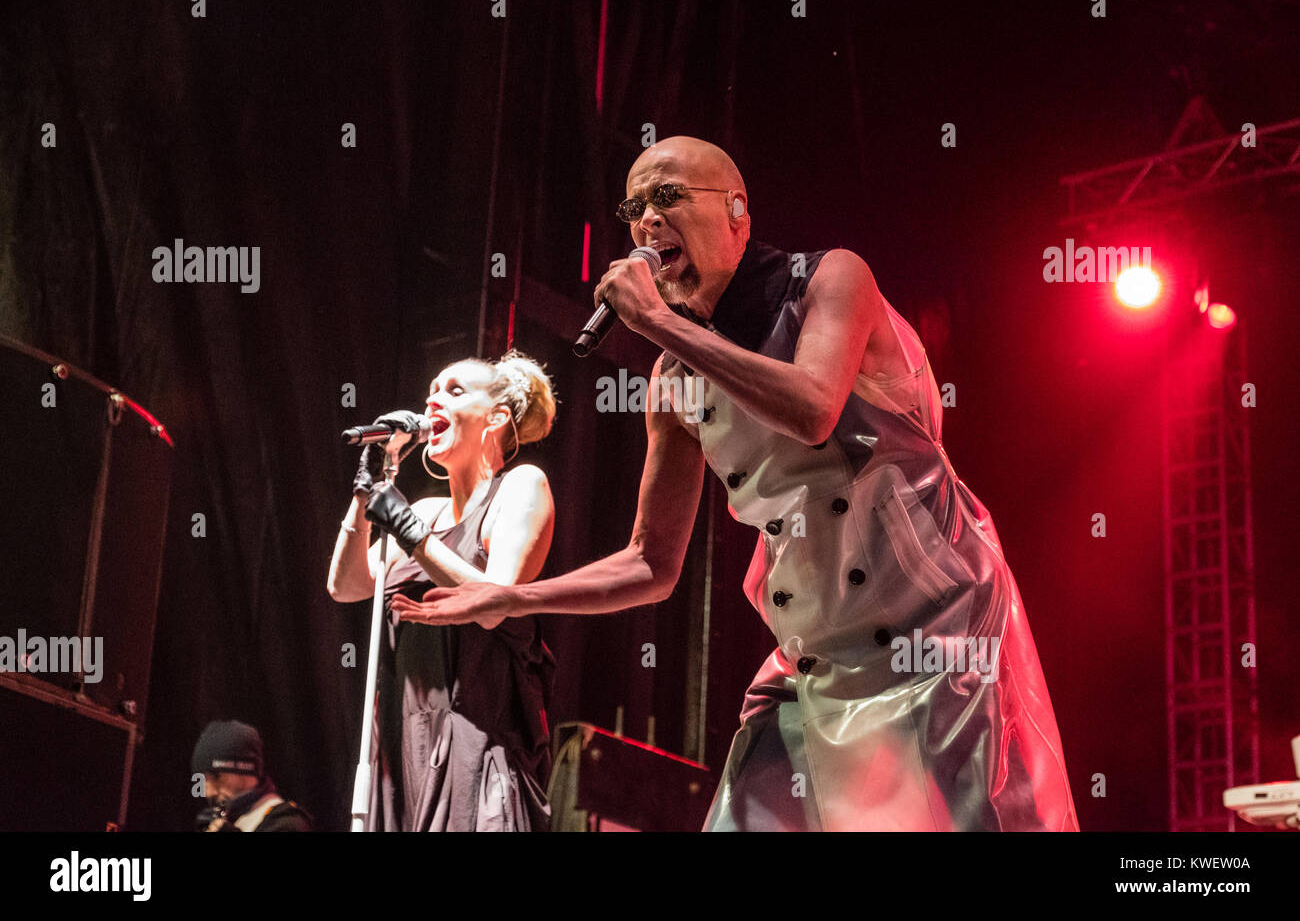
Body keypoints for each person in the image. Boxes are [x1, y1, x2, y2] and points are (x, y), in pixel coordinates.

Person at [397, 136, 1079, 831]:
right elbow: (651, 563)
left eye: (667, 197)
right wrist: (512, 596)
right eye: (634, 207)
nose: (646, 222)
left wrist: (660, 325)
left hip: (937, 627)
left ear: (737, 213)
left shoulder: (831, 280)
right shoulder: (675, 382)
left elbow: (813, 410)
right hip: (815, 654)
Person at [327, 349, 558, 831]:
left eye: (453, 391)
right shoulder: (428, 511)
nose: (432, 402)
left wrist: (410, 532)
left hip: (474, 744)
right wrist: (363, 493)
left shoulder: (521, 487)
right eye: (430, 392)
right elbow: (345, 586)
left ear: (496, 417)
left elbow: (496, 605)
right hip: (402, 744)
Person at [191, 719, 313, 831]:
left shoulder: (288, 823)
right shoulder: (219, 819)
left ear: (244, 768)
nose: (209, 792)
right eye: (204, 780)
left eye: (217, 777)